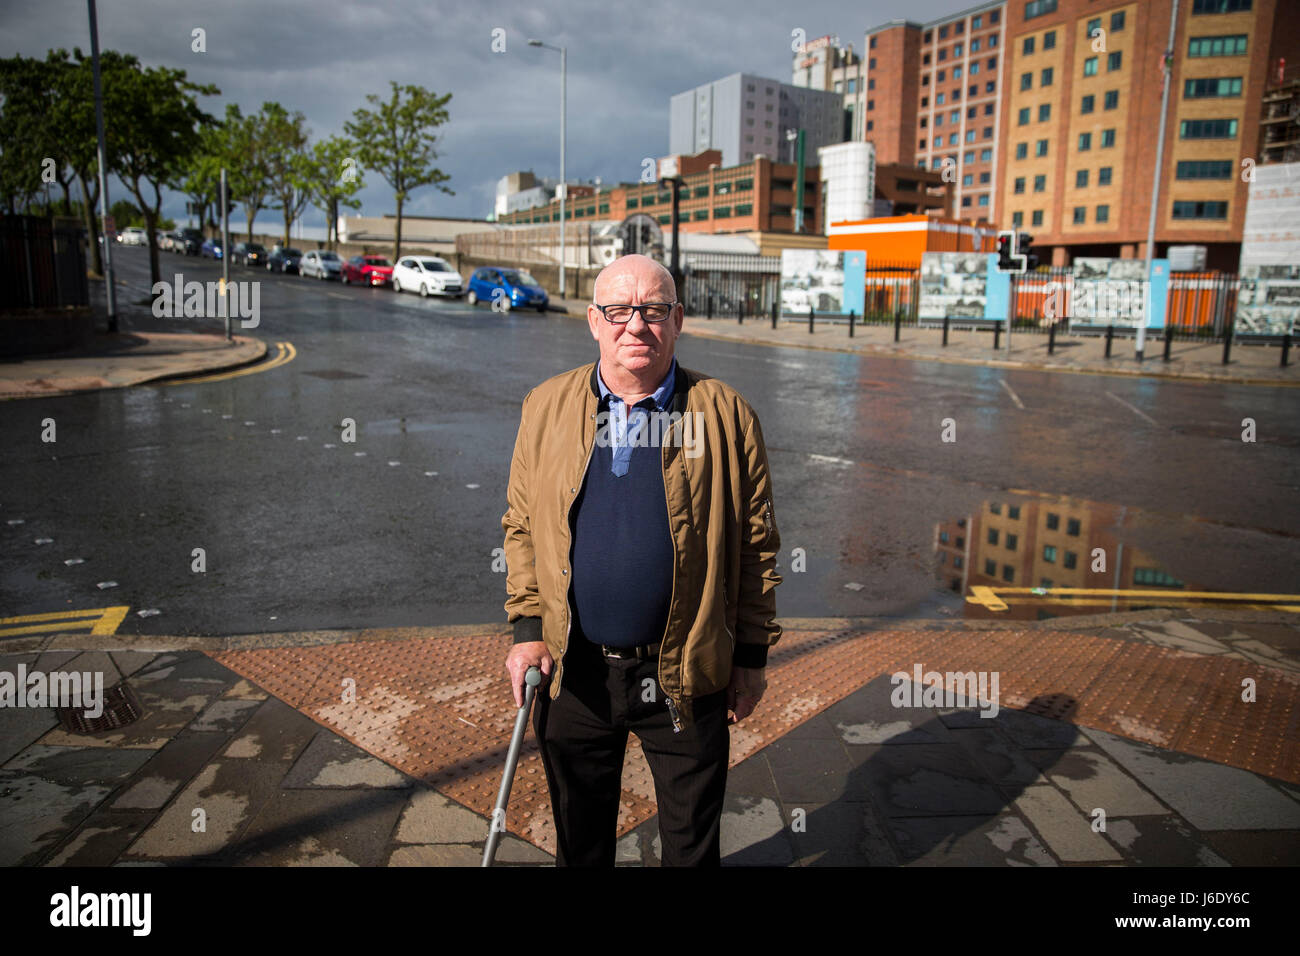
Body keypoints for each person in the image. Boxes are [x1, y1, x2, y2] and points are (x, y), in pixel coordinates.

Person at [501, 253, 782, 867]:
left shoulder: (727, 415)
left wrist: (752, 658)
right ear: (594, 321)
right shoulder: (545, 407)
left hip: (685, 674)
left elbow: (756, 547)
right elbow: (522, 527)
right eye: (619, 311)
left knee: (690, 851)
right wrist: (527, 632)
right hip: (574, 672)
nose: (636, 326)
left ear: (677, 320)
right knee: (582, 845)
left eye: (654, 310)